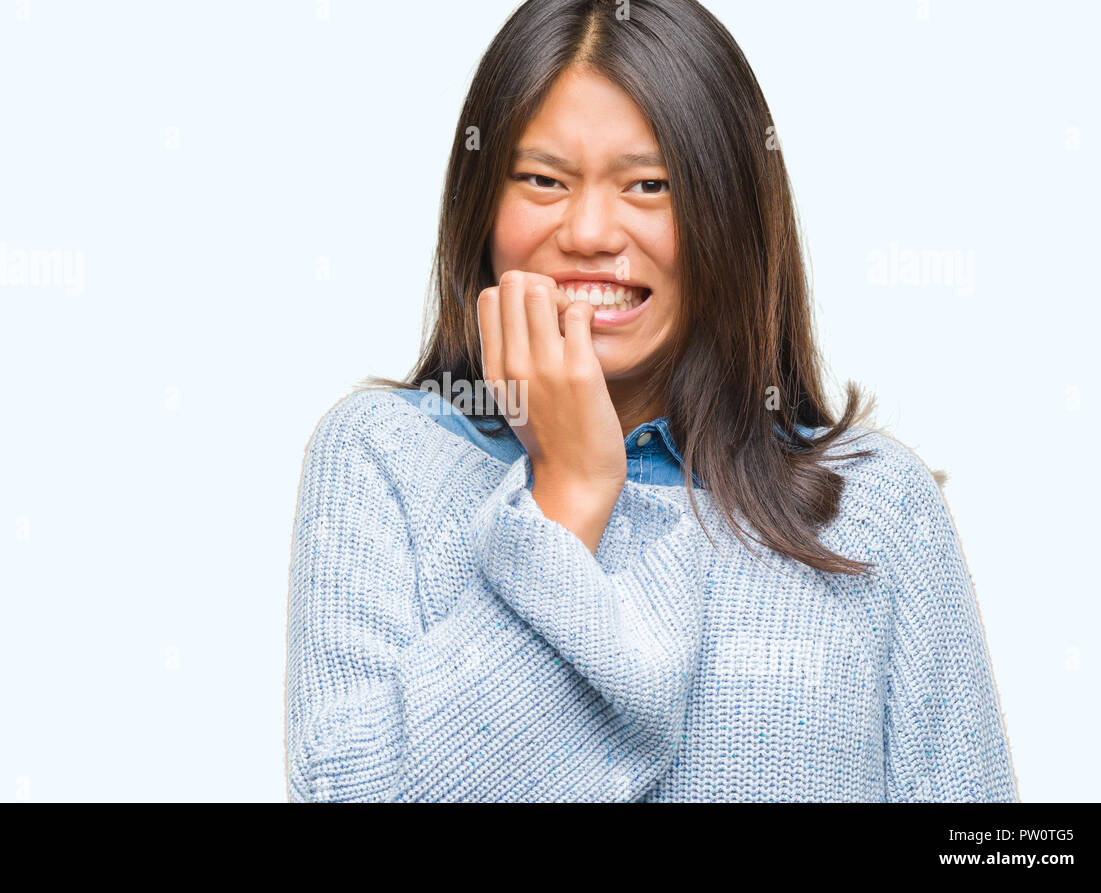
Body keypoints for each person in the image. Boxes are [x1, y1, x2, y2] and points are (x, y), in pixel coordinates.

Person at [283, 0, 1018, 802]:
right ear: (480, 210)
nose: (591, 230)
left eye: (650, 183)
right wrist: (567, 497)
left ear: (728, 215)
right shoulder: (384, 458)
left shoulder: (874, 503)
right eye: (542, 179)